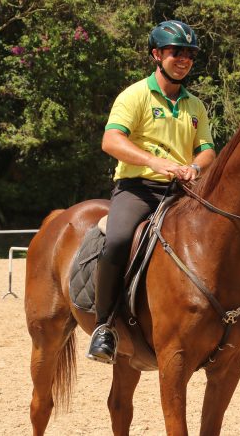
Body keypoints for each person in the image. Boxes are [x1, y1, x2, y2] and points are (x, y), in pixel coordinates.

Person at [87, 20, 216, 363]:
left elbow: (207, 150)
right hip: (138, 189)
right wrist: (155, 163)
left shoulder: (195, 106)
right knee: (117, 239)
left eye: (189, 54)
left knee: (222, 235)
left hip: (184, 191)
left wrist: (196, 167)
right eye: (177, 52)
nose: (184, 59)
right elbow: (111, 140)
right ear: (157, 55)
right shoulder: (135, 95)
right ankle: (105, 326)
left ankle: (233, 321)